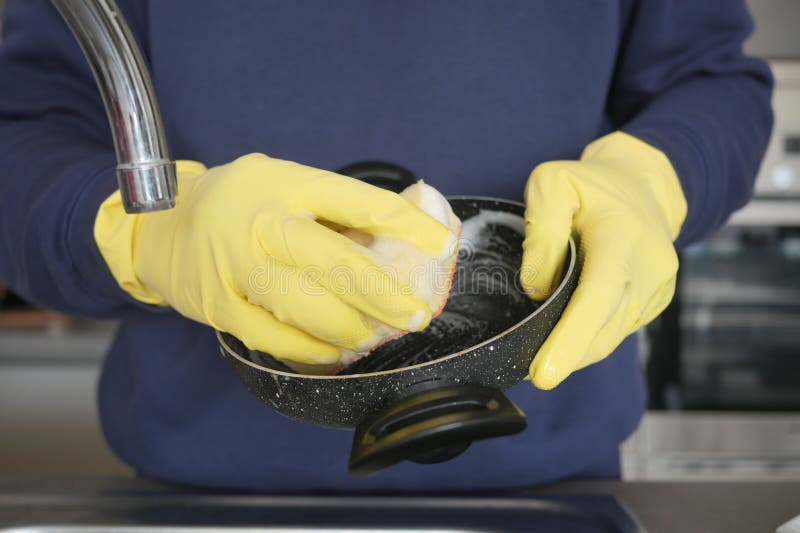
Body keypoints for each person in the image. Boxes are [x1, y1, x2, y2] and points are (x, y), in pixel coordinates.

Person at [0, 1, 772, 490]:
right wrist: (143, 228)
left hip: (559, 492)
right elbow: (23, 134)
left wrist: (652, 178)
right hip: (202, 496)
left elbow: (712, 82)